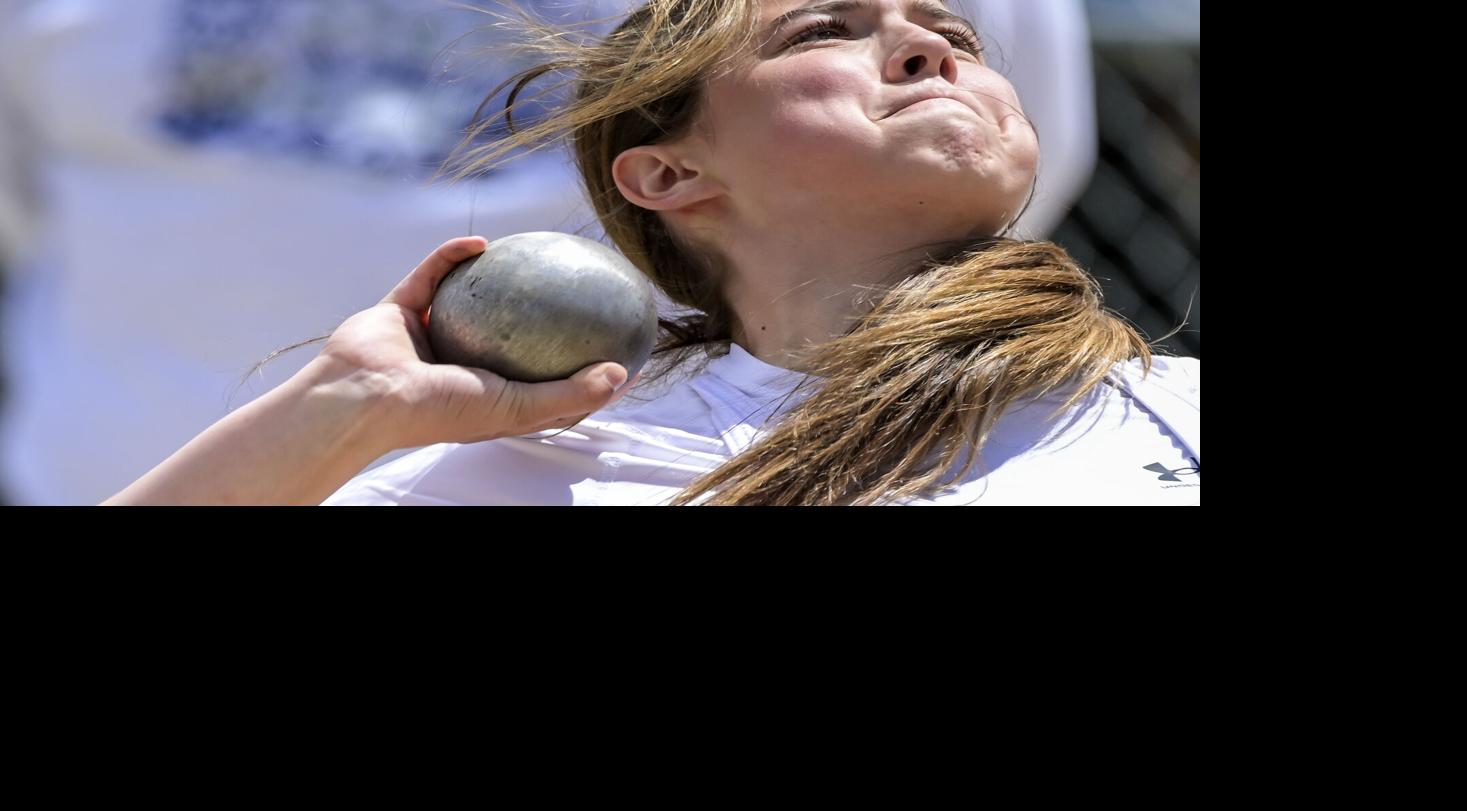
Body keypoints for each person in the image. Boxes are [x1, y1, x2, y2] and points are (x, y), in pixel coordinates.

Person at [1, 0, 1102, 505]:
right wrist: (346, 407)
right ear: (664, 174)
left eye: (958, 36)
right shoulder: (542, 473)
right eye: (824, 29)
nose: (927, 49)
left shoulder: (1159, 417)